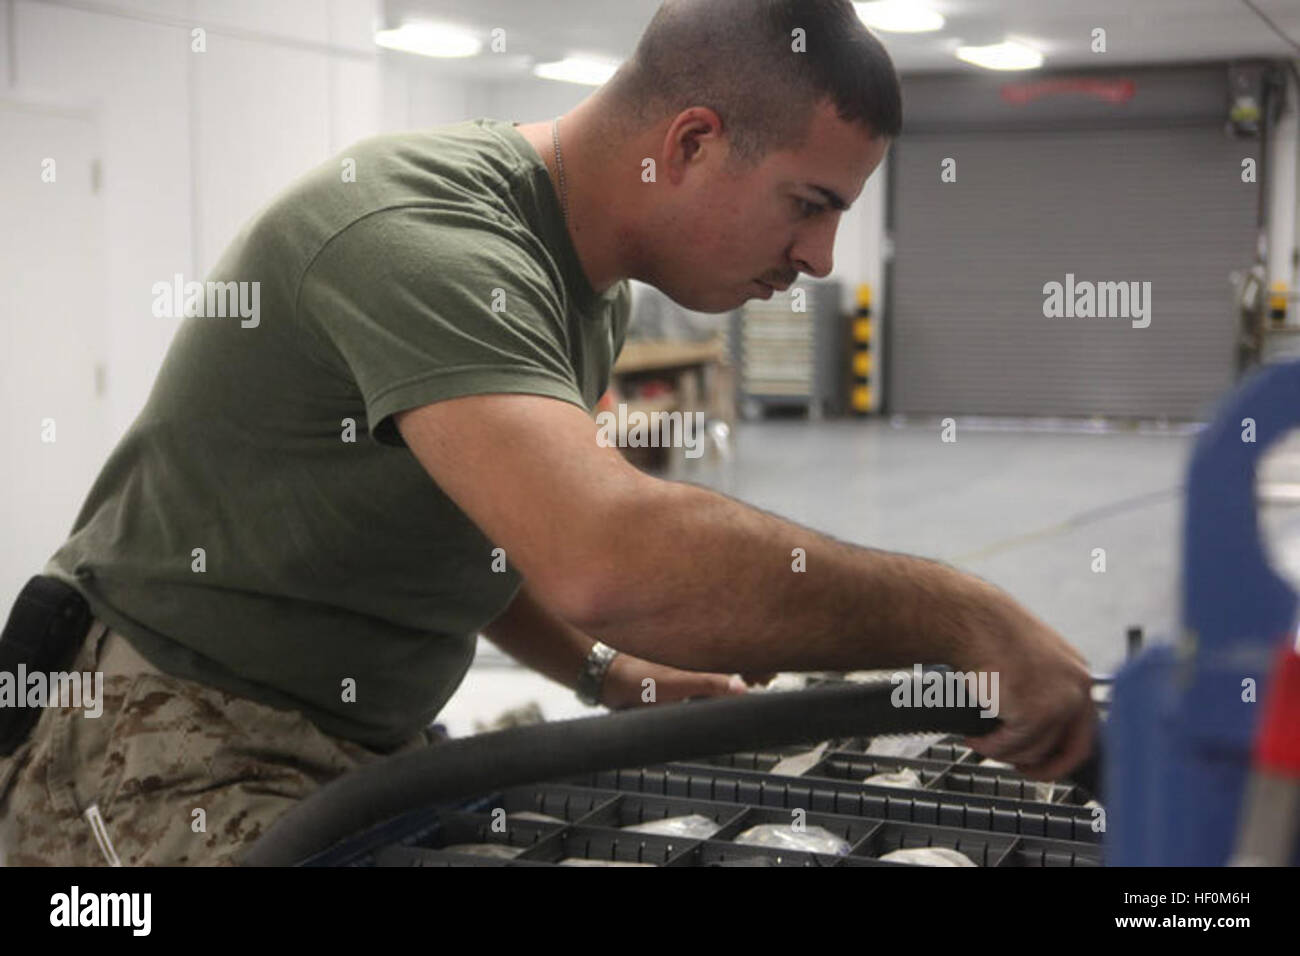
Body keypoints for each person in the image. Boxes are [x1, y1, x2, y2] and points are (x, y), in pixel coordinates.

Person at [0, 0, 1094, 866]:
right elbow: (602, 552)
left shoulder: (587, 287)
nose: (817, 257)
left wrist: (611, 672)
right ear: (694, 141)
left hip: (350, 741)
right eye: (808, 203)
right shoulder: (426, 239)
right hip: (161, 742)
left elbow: (498, 531)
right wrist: (964, 615)